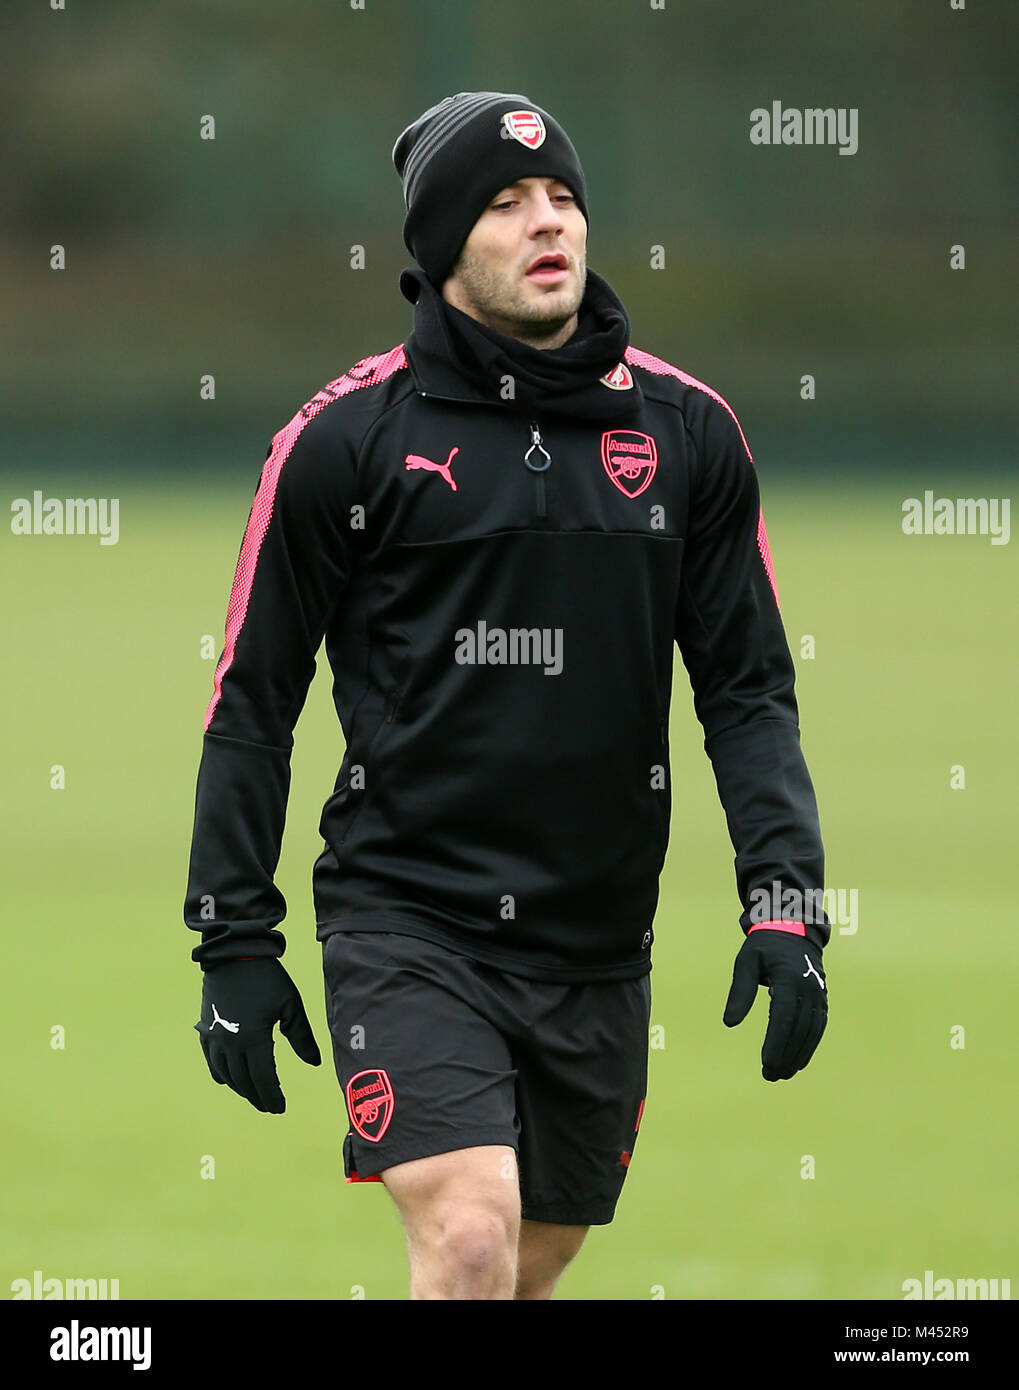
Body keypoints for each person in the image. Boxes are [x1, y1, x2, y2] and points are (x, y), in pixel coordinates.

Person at [184, 91, 830, 1301]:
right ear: (437, 251)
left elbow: (745, 690)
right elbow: (251, 700)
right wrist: (232, 937)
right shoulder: (343, 443)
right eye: (504, 203)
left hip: (593, 934)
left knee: (526, 1267)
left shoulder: (688, 433)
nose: (549, 224)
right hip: (406, 918)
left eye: (563, 199)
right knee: (472, 1233)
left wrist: (784, 902)